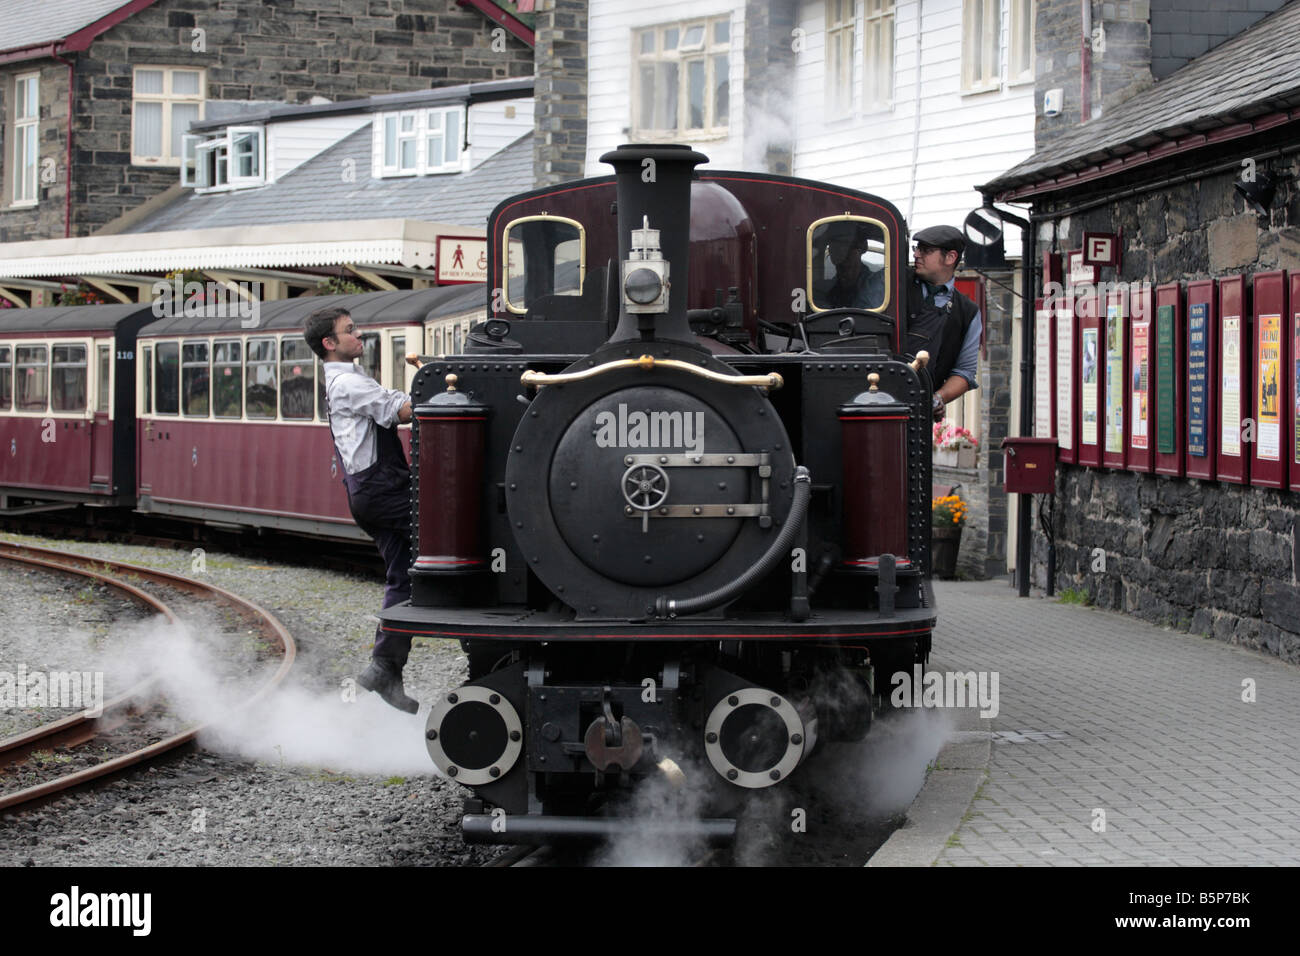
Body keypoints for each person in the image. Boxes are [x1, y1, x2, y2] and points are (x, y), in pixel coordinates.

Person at [304, 306, 419, 714]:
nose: (359, 336)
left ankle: (384, 669)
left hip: (368, 492)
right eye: (350, 331)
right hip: (383, 488)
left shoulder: (342, 381)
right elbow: (400, 411)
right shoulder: (348, 383)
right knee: (454, 539)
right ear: (329, 344)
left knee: (402, 576)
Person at [906, 225, 982, 421]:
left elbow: (964, 372)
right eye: (917, 248)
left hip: (918, 418)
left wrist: (937, 399)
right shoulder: (892, 286)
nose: (916, 254)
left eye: (926, 250)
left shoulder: (968, 312)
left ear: (950, 258)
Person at [820, 222, 886, 310]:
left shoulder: (878, 285)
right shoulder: (826, 291)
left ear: (863, 247)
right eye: (836, 244)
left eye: (849, 245)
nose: (842, 251)